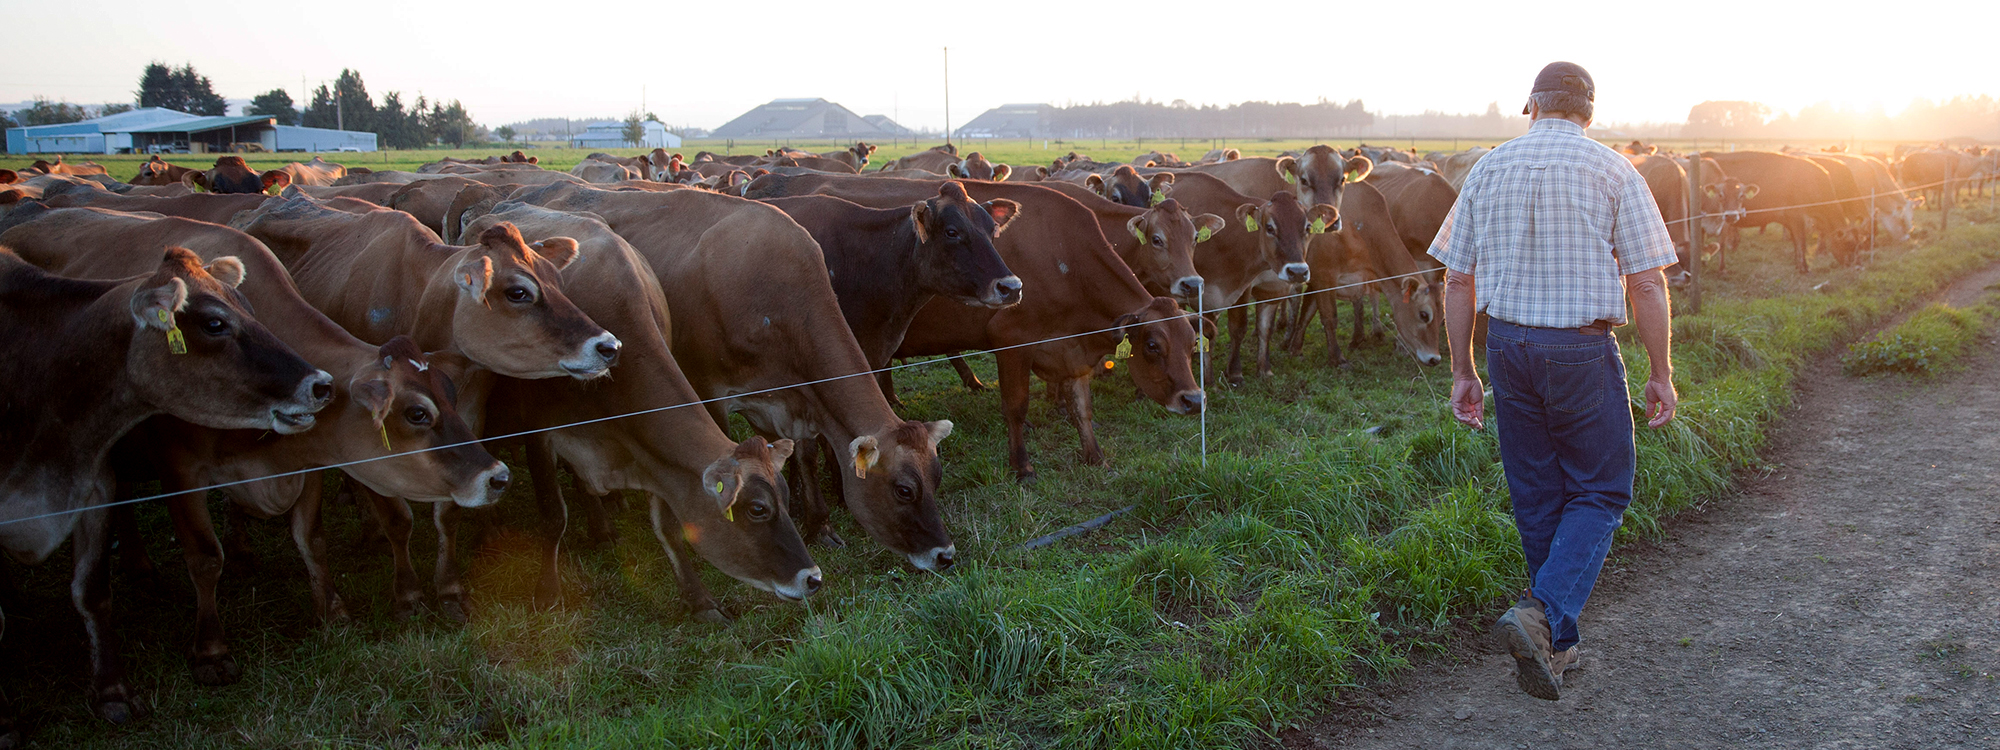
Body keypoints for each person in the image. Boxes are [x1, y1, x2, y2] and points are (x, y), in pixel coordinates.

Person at [1427, 61, 1679, 701]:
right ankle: (1541, 615)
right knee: (1601, 490)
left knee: (1538, 494)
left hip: (1509, 345)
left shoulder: (1488, 168)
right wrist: (1661, 372)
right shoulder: (1615, 170)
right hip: (1581, 349)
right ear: (1589, 114)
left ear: (1529, 108)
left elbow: (1457, 280)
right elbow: (1647, 281)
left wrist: (1463, 368)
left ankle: (1556, 647)